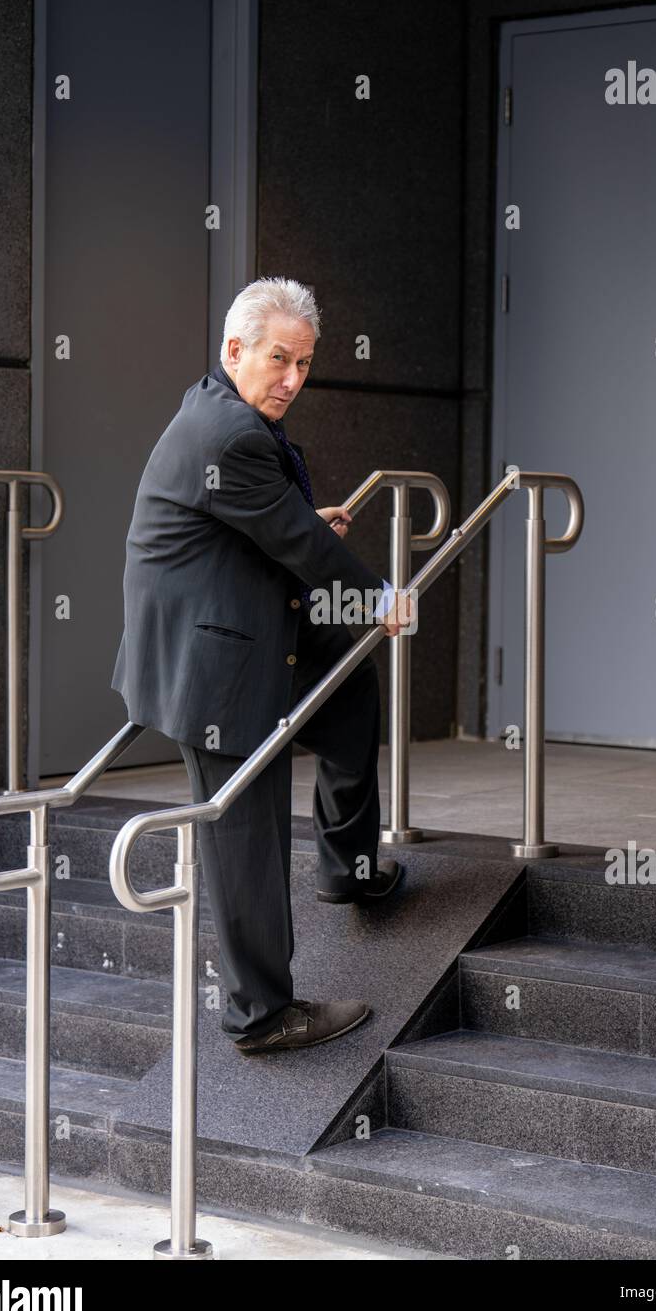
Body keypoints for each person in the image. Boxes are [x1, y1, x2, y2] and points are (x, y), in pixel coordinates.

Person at [111, 277, 415, 1055]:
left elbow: (253, 518)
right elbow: (303, 548)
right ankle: (261, 1013)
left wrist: (292, 520)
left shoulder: (222, 409)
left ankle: (346, 866)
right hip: (212, 660)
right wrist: (379, 595)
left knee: (348, 684)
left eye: (305, 364)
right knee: (244, 832)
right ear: (235, 349)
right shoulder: (229, 436)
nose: (292, 380)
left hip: (241, 614)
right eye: (280, 359)